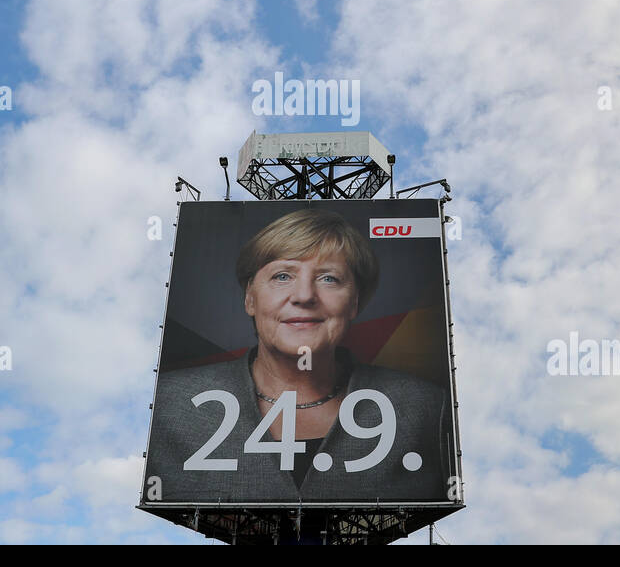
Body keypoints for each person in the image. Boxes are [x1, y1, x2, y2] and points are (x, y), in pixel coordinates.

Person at [144, 207, 453, 504]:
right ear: (250, 298)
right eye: (282, 276)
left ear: (354, 302)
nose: (304, 296)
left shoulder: (426, 407)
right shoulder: (170, 403)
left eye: (328, 278)